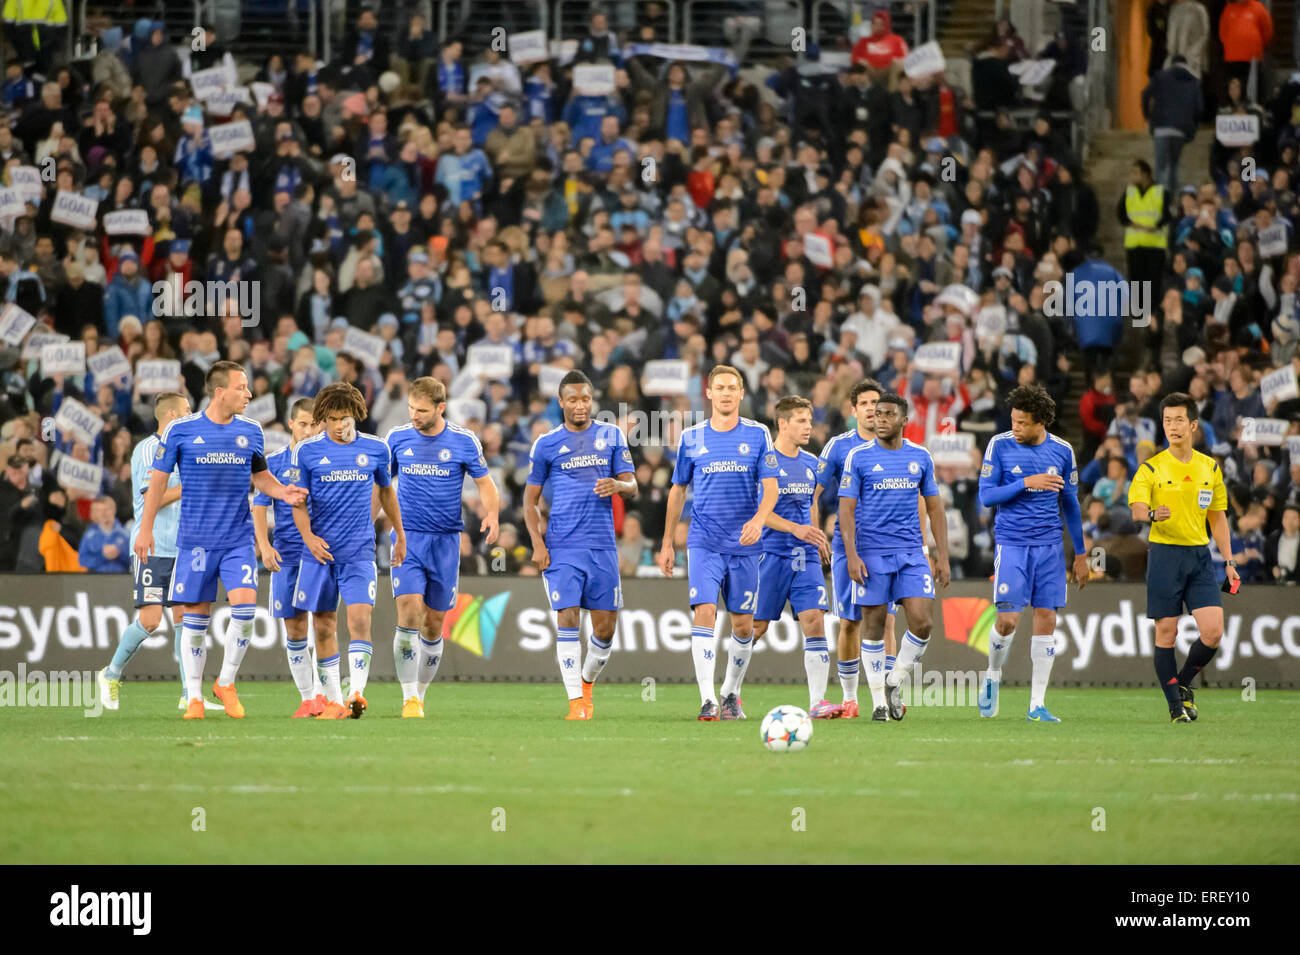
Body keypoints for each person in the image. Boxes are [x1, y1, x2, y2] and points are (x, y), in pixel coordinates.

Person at [134, 361, 308, 719]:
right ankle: (194, 697)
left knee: (245, 611)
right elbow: (158, 484)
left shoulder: (252, 431)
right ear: (219, 392)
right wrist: (145, 528)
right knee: (196, 619)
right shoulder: (181, 430)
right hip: (195, 541)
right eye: (241, 387)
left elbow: (261, 479)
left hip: (237, 540)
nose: (249, 393)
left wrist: (284, 493)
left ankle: (225, 682)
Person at [658, 365, 779, 721]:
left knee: (744, 625)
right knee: (705, 612)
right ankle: (708, 699)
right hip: (704, 541)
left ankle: (731, 693)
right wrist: (668, 541)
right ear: (709, 394)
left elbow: (771, 486)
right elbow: (678, 489)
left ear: (741, 394)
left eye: (733, 387)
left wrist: (758, 521)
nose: (726, 393)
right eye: (720, 387)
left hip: (744, 543)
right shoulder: (692, 437)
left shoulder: (758, 435)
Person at [97, 392, 224, 713]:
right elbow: (155, 495)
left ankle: (188, 693)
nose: (192, 413)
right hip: (153, 547)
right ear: (170, 414)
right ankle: (110, 674)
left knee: (185, 618)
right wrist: (192, 484)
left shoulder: (185, 449)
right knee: (151, 620)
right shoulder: (149, 449)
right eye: (187, 409)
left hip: (184, 548)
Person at [524, 371, 637, 720]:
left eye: (585, 399)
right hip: (562, 547)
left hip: (602, 546)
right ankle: (575, 703)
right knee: (568, 617)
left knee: (605, 631)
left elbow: (632, 484)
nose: (579, 405)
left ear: (592, 400)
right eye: (572, 399)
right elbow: (529, 502)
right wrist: (538, 544)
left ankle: (586, 683)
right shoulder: (546, 444)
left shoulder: (612, 435)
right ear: (561, 402)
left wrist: (620, 487)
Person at [385, 376, 499, 718]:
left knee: (434, 624)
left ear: (441, 407)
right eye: (411, 408)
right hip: (407, 538)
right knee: (408, 610)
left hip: (446, 542)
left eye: (421, 410)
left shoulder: (464, 441)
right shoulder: (397, 438)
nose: (415, 415)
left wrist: (492, 514)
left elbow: (485, 483)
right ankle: (408, 698)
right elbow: (381, 485)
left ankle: (420, 693)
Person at [291, 382, 405, 720]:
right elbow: (298, 501)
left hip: (358, 552)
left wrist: (399, 533)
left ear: (357, 415)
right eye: (335, 418)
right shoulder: (307, 451)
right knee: (323, 627)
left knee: (359, 618)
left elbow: (386, 494)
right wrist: (309, 537)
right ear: (322, 418)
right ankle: (332, 701)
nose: (342, 424)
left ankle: (355, 692)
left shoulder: (376, 449)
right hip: (320, 553)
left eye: (347, 417)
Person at [975, 384, 1089, 723]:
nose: (1016, 428)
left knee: (1047, 619)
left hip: (1050, 548)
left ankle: (1036, 705)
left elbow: (1070, 503)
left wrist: (1080, 554)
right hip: (1011, 544)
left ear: (1041, 423)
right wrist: (1026, 483)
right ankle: (993, 674)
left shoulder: (1063, 451)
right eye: (1013, 421)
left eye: (1022, 423)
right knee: (1008, 621)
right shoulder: (999, 445)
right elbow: (986, 496)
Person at [838, 393, 951, 722]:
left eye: (889, 413)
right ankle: (878, 703)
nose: (880, 418)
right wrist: (852, 555)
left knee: (923, 621)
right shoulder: (858, 458)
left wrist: (941, 555)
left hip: (912, 554)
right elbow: (846, 510)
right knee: (872, 625)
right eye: (877, 413)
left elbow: (934, 507)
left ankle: (894, 680)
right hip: (871, 554)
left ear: (904, 421)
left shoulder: (920, 457)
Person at [1127, 393, 1237, 722]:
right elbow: (1135, 510)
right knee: (1167, 633)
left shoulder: (1210, 468)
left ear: (1193, 425)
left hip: (1199, 557)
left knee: (1214, 631)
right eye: (1167, 420)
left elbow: (1217, 517)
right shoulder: (1151, 468)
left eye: (1179, 420)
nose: (1172, 426)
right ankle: (1176, 708)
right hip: (1164, 556)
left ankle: (1184, 683)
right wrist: (1150, 515)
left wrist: (1229, 562)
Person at [812, 378, 905, 715]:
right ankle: (850, 698)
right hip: (847, 547)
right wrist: (813, 532)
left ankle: (890, 691)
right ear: (853, 410)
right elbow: (815, 492)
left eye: (875, 404)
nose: (870, 409)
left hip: (888, 546)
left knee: (888, 621)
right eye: (863, 404)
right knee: (849, 623)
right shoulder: (838, 446)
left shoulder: (899, 446)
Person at [751, 396, 833, 715]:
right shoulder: (764, 461)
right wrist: (796, 529)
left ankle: (817, 702)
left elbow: (810, 504)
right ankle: (729, 691)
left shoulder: (812, 464)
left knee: (814, 620)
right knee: (755, 628)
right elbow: (760, 512)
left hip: (804, 556)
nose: (808, 426)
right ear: (782, 424)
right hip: (768, 554)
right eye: (801, 420)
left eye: (810, 421)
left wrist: (814, 533)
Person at [252, 397, 326, 717]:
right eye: (304, 424)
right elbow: (259, 505)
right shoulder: (276, 461)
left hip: (319, 554)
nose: (309, 431)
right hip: (287, 554)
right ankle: (307, 697)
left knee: (323, 627)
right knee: (295, 630)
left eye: (314, 425)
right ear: (292, 424)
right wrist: (265, 546)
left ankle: (325, 695)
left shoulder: (328, 459)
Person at [1141, 55, 1203, 197]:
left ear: (1172, 64)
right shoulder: (1194, 81)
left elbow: (1145, 94)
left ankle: (1161, 200)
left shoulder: (1160, 77)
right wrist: (1192, 127)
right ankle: (1172, 198)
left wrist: (1147, 116)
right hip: (1180, 131)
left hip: (1161, 128)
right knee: (1174, 165)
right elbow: (1200, 109)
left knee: (1160, 167)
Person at [1117, 160, 1169, 298]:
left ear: (1146, 174)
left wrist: (1155, 226)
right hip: (1134, 244)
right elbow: (1120, 213)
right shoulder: (1129, 191)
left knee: (1153, 282)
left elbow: (1167, 215)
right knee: (1135, 281)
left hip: (1154, 245)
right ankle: (1138, 312)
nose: (1133, 176)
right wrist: (1130, 223)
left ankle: (1152, 313)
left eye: (1136, 173)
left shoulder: (1160, 191)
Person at [79, 497, 129, 572]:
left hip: (120, 578)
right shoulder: (89, 536)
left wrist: (119, 553)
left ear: (114, 510)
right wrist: (103, 556)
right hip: (97, 579)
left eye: (106, 509)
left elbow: (134, 560)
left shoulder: (126, 534)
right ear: (94, 513)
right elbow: (83, 561)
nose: (103, 513)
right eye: (99, 510)